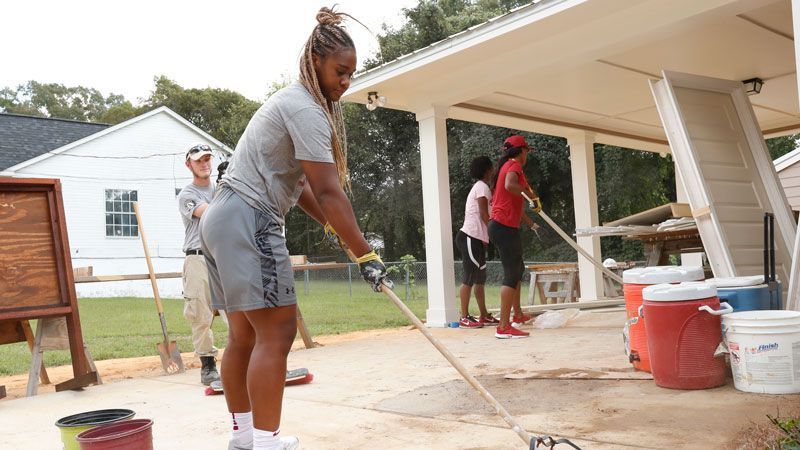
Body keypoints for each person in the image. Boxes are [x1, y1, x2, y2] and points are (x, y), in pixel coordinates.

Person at [199, 7, 389, 450]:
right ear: (315, 62)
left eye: (351, 74)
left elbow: (301, 186)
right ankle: (266, 443)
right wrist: (365, 253)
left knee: (244, 336)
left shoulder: (290, 101)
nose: (346, 82)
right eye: (340, 71)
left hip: (221, 218)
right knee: (277, 333)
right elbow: (328, 190)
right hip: (250, 217)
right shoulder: (306, 109)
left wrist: (336, 231)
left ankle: (245, 439)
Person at [177, 143, 222, 384]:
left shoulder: (221, 189)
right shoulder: (187, 194)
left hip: (223, 255)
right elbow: (211, 213)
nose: (204, 164)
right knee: (200, 313)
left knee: (237, 310)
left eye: (207, 159)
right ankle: (208, 364)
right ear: (189, 165)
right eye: (198, 160)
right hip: (198, 258)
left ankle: (247, 358)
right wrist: (227, 191)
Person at [489, 135, 540, 339]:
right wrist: (532, 196)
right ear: (521, 151)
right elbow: (511, 185)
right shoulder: (514, 165)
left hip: (503, 226)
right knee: (511, 273)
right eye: (527, 151)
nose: (527, 155)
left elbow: (513, 202)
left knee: (517, 269)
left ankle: (517, 315)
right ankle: (503, 327)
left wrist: (530, 222)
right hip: (503, 227)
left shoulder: (505, 166)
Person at [454, 156, 499, 328]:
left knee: (480, 278)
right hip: (469, 237)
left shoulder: (484, 187)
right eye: (492, 167)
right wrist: (495, 233)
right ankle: (464, 317)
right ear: (487, 170)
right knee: (470, 277)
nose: (494, 170)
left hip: (478, 239)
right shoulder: (481, 187)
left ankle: (484, 315)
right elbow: (483, 213)